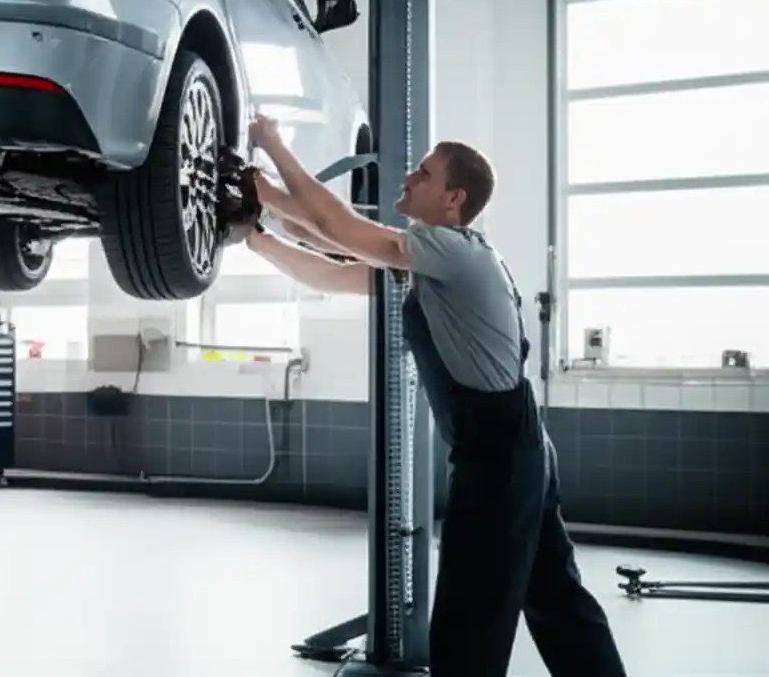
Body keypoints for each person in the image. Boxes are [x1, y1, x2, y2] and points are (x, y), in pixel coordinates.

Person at [242, 114, 628, 677]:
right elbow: (330, 262)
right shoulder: (431, 263)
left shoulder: (453, 253)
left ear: (453, 198)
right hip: (513, 450)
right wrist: (259, 233)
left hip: (500, 460)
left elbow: (336, 223)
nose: (407, 178)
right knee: (555, 600)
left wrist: (273, 144)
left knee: (468, 621)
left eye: (422, 174)